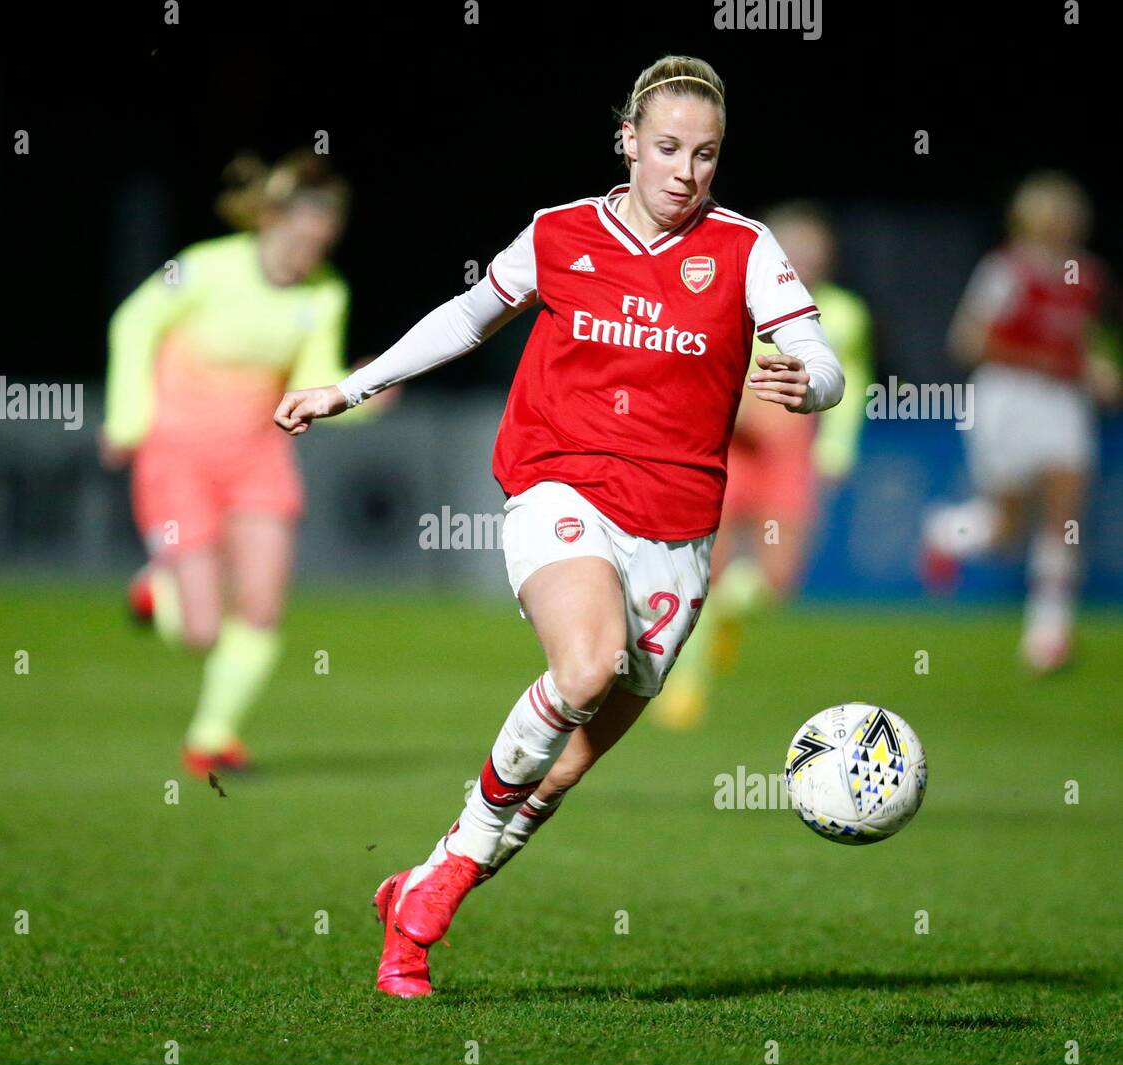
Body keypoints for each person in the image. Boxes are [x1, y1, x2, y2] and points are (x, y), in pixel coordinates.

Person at [274, 55, 845, 997]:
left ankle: (432, 879)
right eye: (667, 148)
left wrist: (807, 380)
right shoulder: (561, 233)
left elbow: (817, 355)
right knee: (582, 668)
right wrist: (348, 387)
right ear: (627, 141)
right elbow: (470, 317)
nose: (686, 172)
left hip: (677, 530)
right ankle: (425, 917)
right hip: (561, 487)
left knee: (565, 767)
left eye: (706, 155)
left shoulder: (745, 248)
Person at [102, 149, 385, 777]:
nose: (311, 247)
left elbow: (312, 379)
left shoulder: (325, 292)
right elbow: (132, 323)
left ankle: (211, 738)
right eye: (303, 230)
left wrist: (360, 393)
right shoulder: (201, 268)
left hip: (258, 455)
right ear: (270, 220)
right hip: (176, 455)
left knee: (261, 605)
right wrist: (127, 420)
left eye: (324, 235)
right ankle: (157, 587)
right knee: (202, 629)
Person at [654, 201, 874, 729]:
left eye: (813, 252)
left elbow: (856, 379)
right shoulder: (739, 300)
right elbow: (698, 361)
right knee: (705, 571)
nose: (803, 261)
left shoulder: (844, 316)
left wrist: (838, 447)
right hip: (730, 447)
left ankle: (733, 609)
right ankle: (685, 687)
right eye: (793, 250)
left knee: (778, 580)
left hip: (790, 452)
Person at [919, 171, 1119, 673]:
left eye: (1070, 214)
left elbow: (1089, 340)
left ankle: (1048, 635)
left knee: (1065, 513)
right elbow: (968, 340)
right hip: (1007, 398)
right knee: (1007, 530)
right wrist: (1042, 360)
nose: (1063, 224)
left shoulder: (1088, 276)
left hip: (1063, 404)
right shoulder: (1004, 271)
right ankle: (947, 532)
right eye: (1052, 213)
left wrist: (1099, 367)